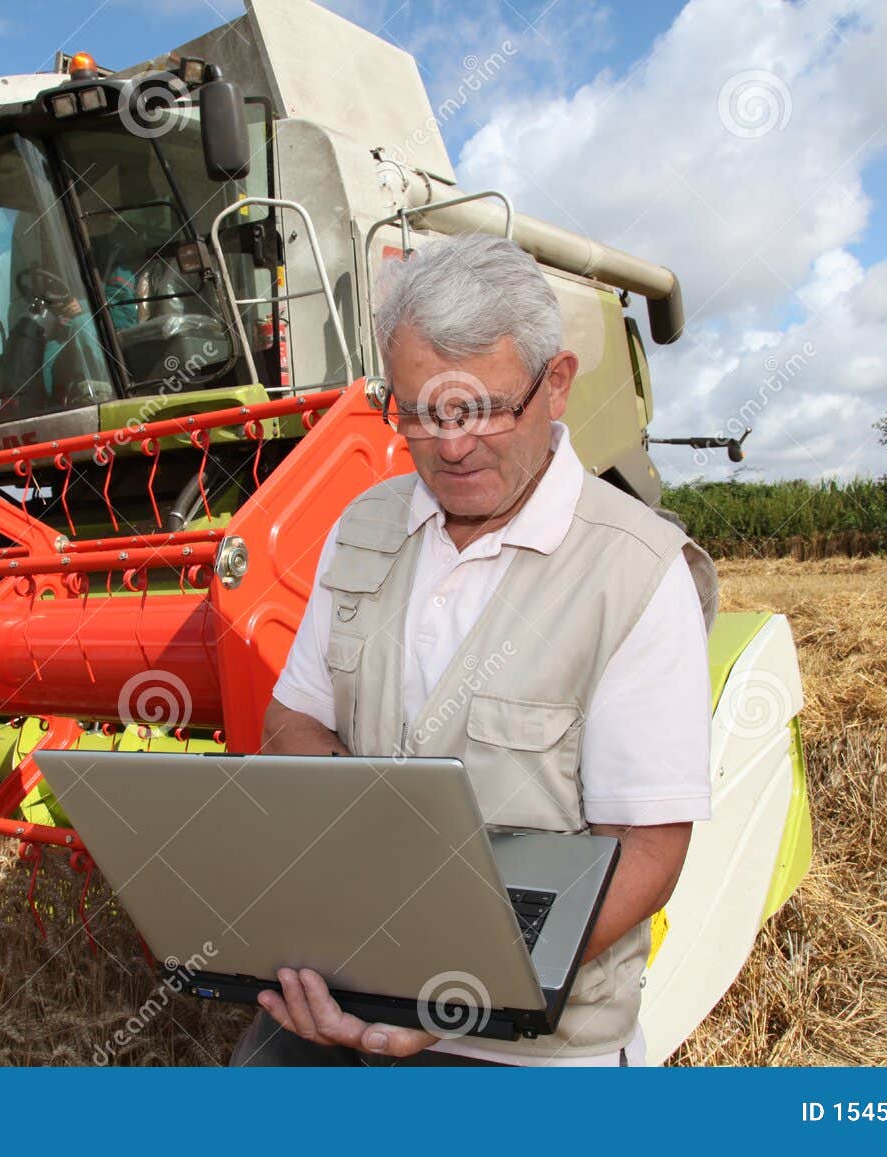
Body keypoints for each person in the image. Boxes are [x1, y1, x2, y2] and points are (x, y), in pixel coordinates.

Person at [229, 234, 717, 1068]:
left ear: (555, 385)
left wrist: (463, 988)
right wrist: (357, 904)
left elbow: (648, 852)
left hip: (533, 1041)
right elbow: (292, 720)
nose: (450, 445)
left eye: (483, 409)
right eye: (419, 412)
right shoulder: (364, 527)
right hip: (351, 974)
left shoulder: (634, 572)